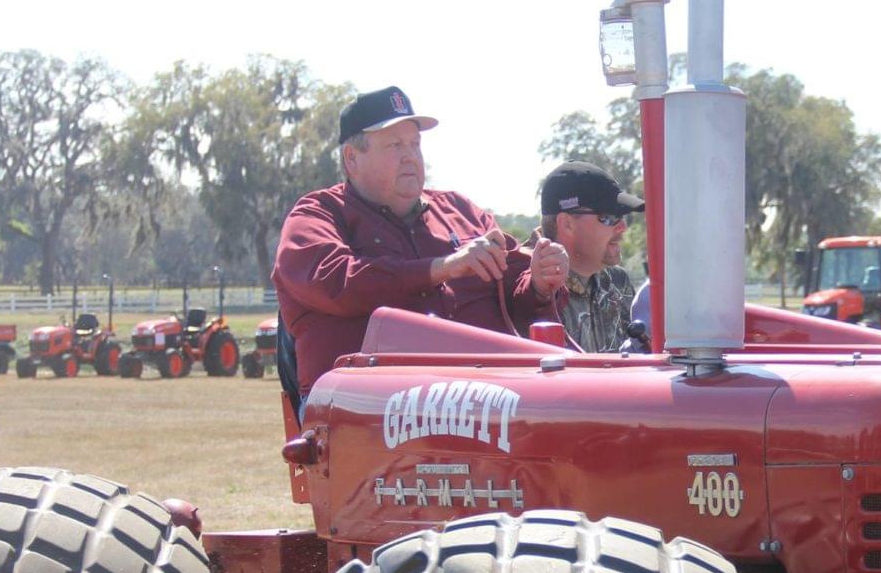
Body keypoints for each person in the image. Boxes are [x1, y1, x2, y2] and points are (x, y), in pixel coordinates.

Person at [273, 86, 570, 398]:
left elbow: (515, 297)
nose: (410, 156)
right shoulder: (317, 216)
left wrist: (538, 282)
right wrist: (442, 268)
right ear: (352, 158)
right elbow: (338, 283)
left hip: (484, 402)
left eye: (415, 144)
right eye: (395, 145)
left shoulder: (462, 211)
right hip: (365, 406)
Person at [530, 162, 643, 353]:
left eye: (623, 216)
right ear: (567, 224)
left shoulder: (618, 281)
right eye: (609, 216)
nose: (622, 227)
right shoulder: (527, 289)